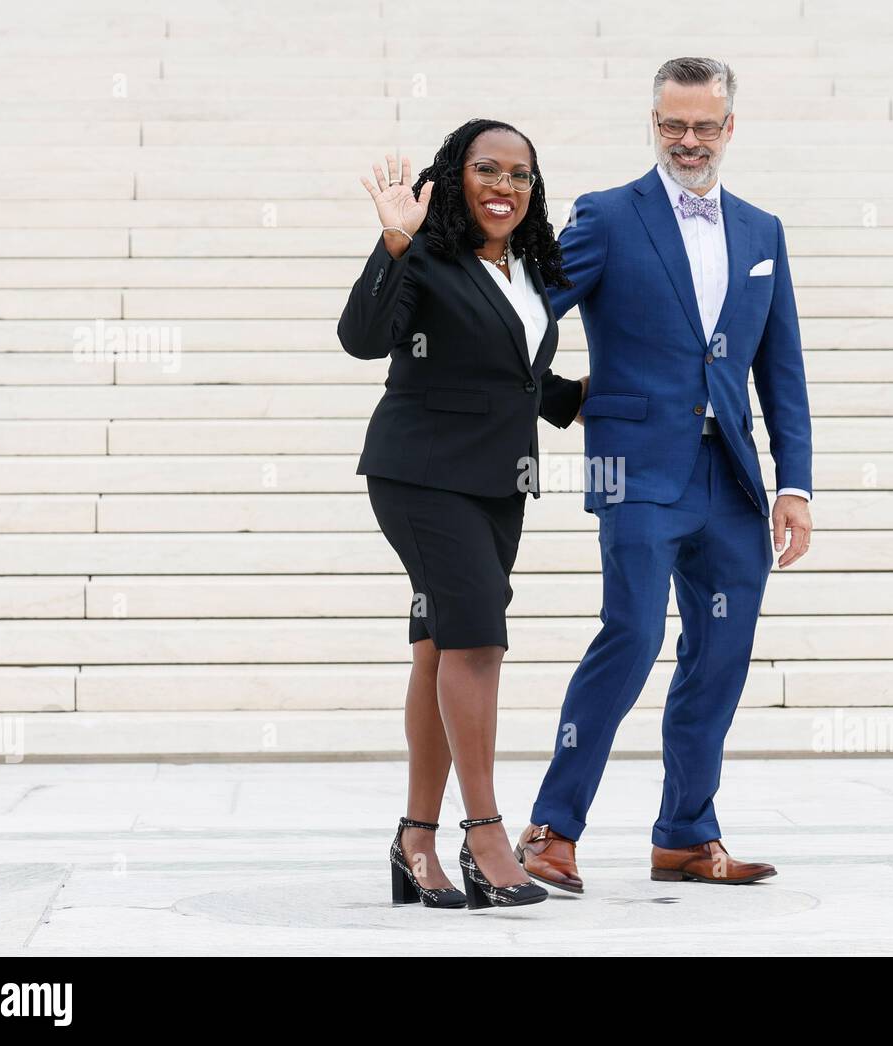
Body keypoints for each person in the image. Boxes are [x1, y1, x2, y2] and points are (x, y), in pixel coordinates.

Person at [516, 57, 814, 891]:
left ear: (729, 128)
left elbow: (780, 366)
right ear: (653, 123)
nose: (689, 141)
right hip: (636, 468)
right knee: (634, 633)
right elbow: (525, 310)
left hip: (732, 479)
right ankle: (551, 830)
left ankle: (686, 834)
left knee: (720, 654)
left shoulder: (762, 231)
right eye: (673, 125)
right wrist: (559, 400)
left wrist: (796, 484)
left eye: (705, 126)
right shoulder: (610, 215)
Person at [337, 119, 587, 909]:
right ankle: (483, 835)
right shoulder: (428, 257)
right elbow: (361, 337)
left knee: (438, 644)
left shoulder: (528, 273)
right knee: (478, 639)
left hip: (497, 482)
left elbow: (522, 381)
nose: (504, 187)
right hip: (420, 475)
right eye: (487, 169)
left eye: (520, 175)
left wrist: (605, 398)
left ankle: (416, 837)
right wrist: (393, 241)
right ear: (454, 177)